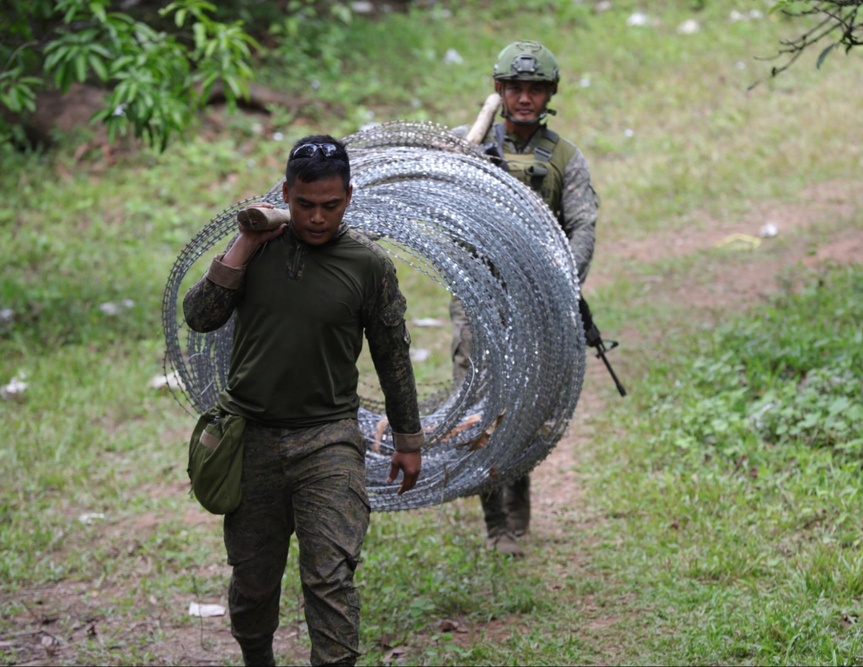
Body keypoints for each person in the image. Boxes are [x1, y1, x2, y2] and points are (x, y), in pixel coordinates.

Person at [183, 134, 425, 666]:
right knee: (253, 579)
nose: (317, 218)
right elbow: (200, 316)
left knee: (331, 576)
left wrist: (409, 438)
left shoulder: (368, 266)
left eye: (331, 206)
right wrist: (245, 243)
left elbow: (392, 354)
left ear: (349, 197)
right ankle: (257, 658)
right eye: (305, 205)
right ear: (286, 194)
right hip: (251, 439)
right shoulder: (256, 249)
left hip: (329, 440)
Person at [451, 40, 599, 557]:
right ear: (499, 90)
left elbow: (582, 226)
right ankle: (496, 524)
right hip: (480, 297)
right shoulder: (466, 148)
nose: (525, 98)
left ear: (550, 94)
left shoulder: (564, 159)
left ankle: (519, 504)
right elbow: (441, 199)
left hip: (538, 306)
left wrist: (559, 281)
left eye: (536, 89)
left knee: (530, 408)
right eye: (515, 87)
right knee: (480, 407)